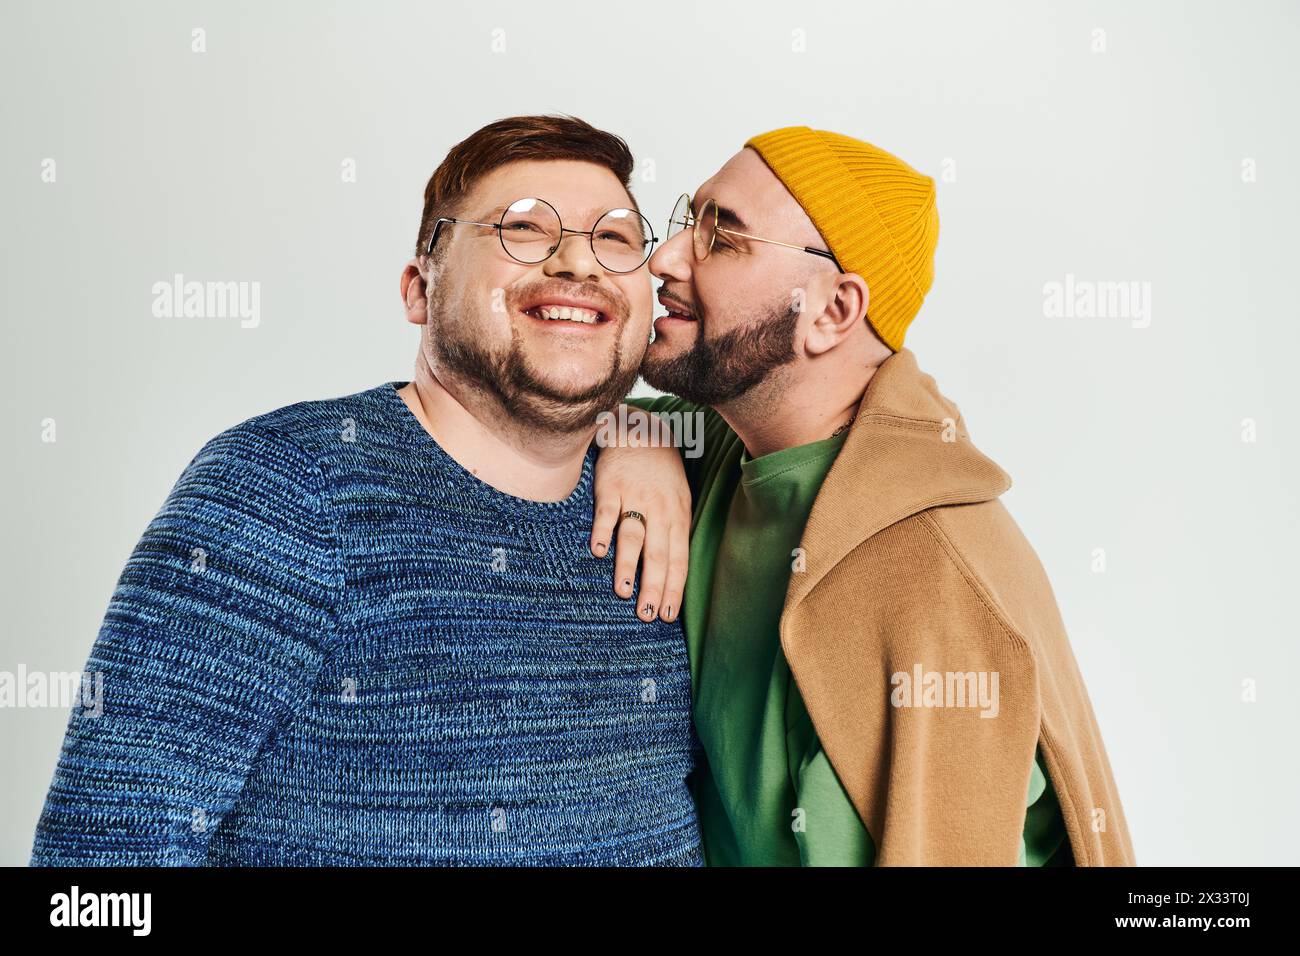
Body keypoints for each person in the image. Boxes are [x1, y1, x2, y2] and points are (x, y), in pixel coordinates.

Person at [30, 115, 702, 866]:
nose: (579, 264)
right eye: (523, 229)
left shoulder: (681, 507)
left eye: (613, 239)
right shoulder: (283, 489)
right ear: (420, 288)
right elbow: (92, 876)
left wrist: (646, 431)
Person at [596, 126, 1136, 865]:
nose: (663, 257)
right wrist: (634, 434)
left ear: (832, 313)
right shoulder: (735, 444)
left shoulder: (932, 579)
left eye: (724, 237)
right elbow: (550, 409)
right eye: (691, 218)